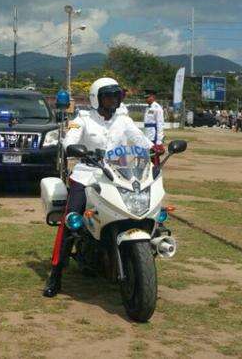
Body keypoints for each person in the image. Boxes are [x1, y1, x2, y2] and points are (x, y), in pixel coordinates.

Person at [43, 77, 152, 298]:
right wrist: (75, 147)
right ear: (96, 98)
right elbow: (69, 139)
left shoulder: (124, 120)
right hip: (87, 176)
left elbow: (139, 140)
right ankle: (56, 273)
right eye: (108, 96)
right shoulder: (83, 119)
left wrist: (155, 147)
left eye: (116, 96)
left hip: (117, 174)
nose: (113, 100)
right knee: (71, 220)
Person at [143, 89, 165, 165]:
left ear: (153, 97)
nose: (146, 99)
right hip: (147, 135)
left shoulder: (157, 108)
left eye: (147, 97)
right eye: (145, 97)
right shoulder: (147, 108)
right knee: (147, 155)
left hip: (154, 136)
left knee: (154, 156)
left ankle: (156, 169)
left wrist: (159, 140)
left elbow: (160, 124)